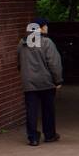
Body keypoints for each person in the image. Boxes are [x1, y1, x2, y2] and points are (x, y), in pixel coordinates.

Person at [16, 18, 63, 146]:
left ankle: (33, 138)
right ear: (41, 28)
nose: (47, 28)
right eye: (45, 26)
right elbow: (54, 63)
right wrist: (58, 80)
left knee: (31, 110)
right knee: (48, 109)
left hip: (28, 82)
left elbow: (19, 62)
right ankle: (49, 135)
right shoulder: (46, 42)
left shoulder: (22, 43)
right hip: (46, 82)